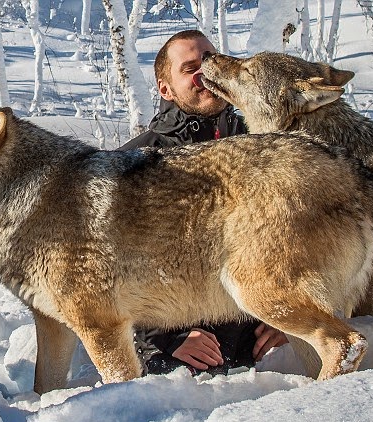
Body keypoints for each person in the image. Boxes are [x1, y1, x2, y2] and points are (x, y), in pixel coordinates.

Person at [118, 30, 288, 376]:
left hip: (262, 341)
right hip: (181, 354)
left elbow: (286, 242)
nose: (204, 73)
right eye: (189, 68)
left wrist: (287, 316)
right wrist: (161, 342)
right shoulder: (134, 162)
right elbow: (112, 268)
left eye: (209, 60)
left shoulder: (263, 145)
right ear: (165, 89)